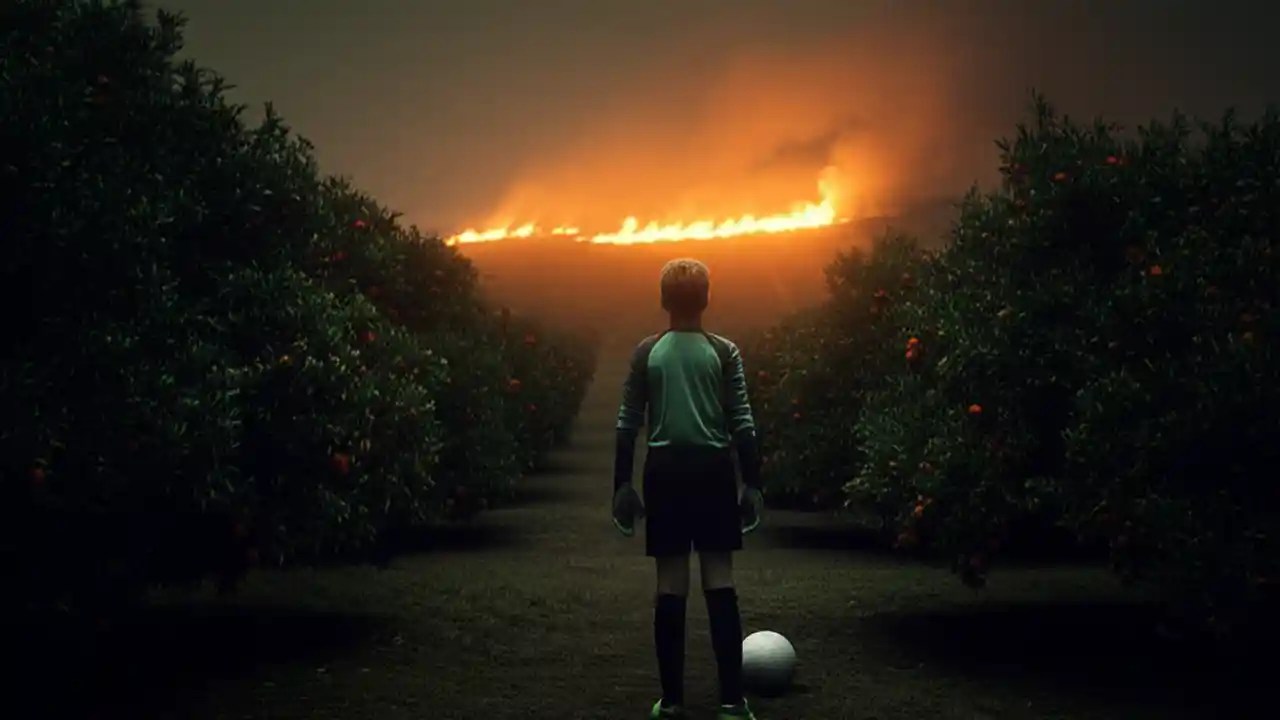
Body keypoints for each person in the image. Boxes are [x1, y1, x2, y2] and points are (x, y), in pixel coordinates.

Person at [612, 258, 765, 720]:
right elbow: (742, 422)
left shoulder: (646, 352)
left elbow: (627, 424)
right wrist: (753, 484)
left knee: (670, 585)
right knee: (720, 581)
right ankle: (733, 702)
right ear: (706, 299)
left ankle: (673, 702)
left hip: (665, 474)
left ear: (663, 302)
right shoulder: (724, 352)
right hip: (714, 472)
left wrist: (621, 485)